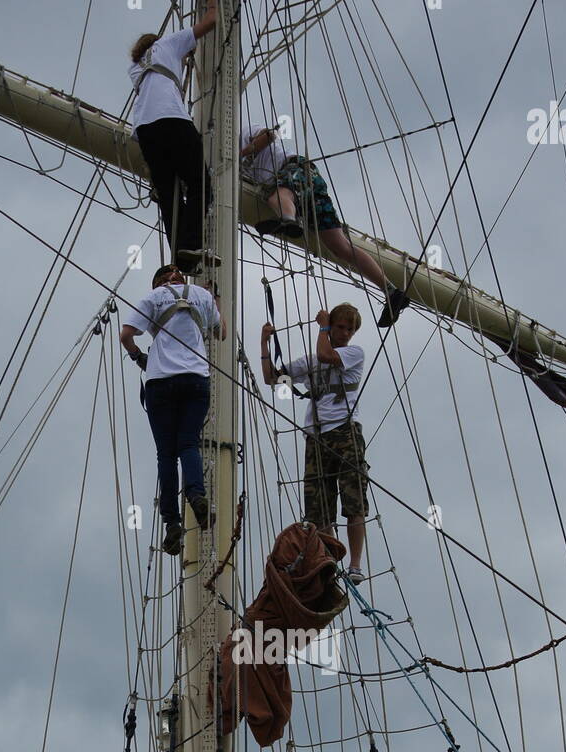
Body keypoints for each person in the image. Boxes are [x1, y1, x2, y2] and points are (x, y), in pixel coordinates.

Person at [241, 123, 410, 328]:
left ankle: (288, 219)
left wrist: (244, 153)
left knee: (278, 197)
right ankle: (392, 291)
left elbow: (270, 134)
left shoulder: (243, 131)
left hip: (295, 170)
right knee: (340, 247)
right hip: (307, 187)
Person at [121, 263, 226, 555]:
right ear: (182, 279)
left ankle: (172, 524)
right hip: (195, 380)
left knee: (166, 454)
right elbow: (222, 333)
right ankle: (197, 496)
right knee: (188, 443)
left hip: (161, 383)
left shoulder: (153, 298)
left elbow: (126, 335)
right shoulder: (202, 296)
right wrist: (213, 299)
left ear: (159, 284)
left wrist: (138, 357)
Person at [262, 303, 368, 581]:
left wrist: (322, 327)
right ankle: (330, 560)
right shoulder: (309, 363)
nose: (344, 333)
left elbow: (326, 354)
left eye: (349, 329)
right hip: (316, 436)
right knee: (318, 507)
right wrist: (264, 344)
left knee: (354, 500)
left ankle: (355, 564)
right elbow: (271, 377)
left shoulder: (353, 353)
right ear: (333, 326)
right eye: (340, 327)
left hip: (345, 432)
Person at [130, 4, 219, 272]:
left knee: (168, 195)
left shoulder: (134, 67)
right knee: (200, 184)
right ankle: (190, 244)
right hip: (171, 119)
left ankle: (180, 255)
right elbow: (211, 21)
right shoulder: (168, 43)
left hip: (145, 129)